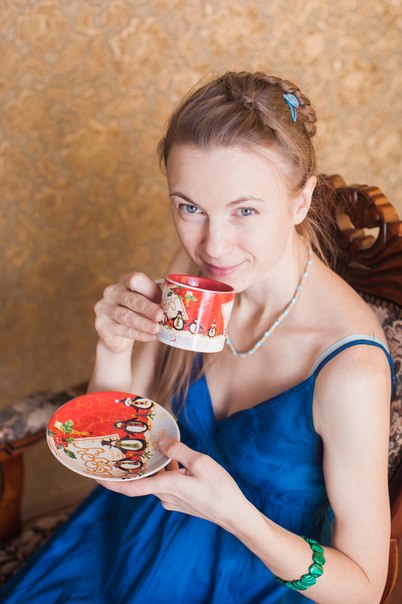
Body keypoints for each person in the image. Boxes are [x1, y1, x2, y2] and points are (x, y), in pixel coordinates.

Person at [0, 71, 393, 604]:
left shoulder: (350, 371)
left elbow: (364, 589)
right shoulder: (197, 276)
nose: (213, 245)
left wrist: (237, 517)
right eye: (190, 207)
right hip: (132, 536)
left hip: (251, 578)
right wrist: (113, 346)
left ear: (301, 200)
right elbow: (112, 447)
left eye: (245, 210)